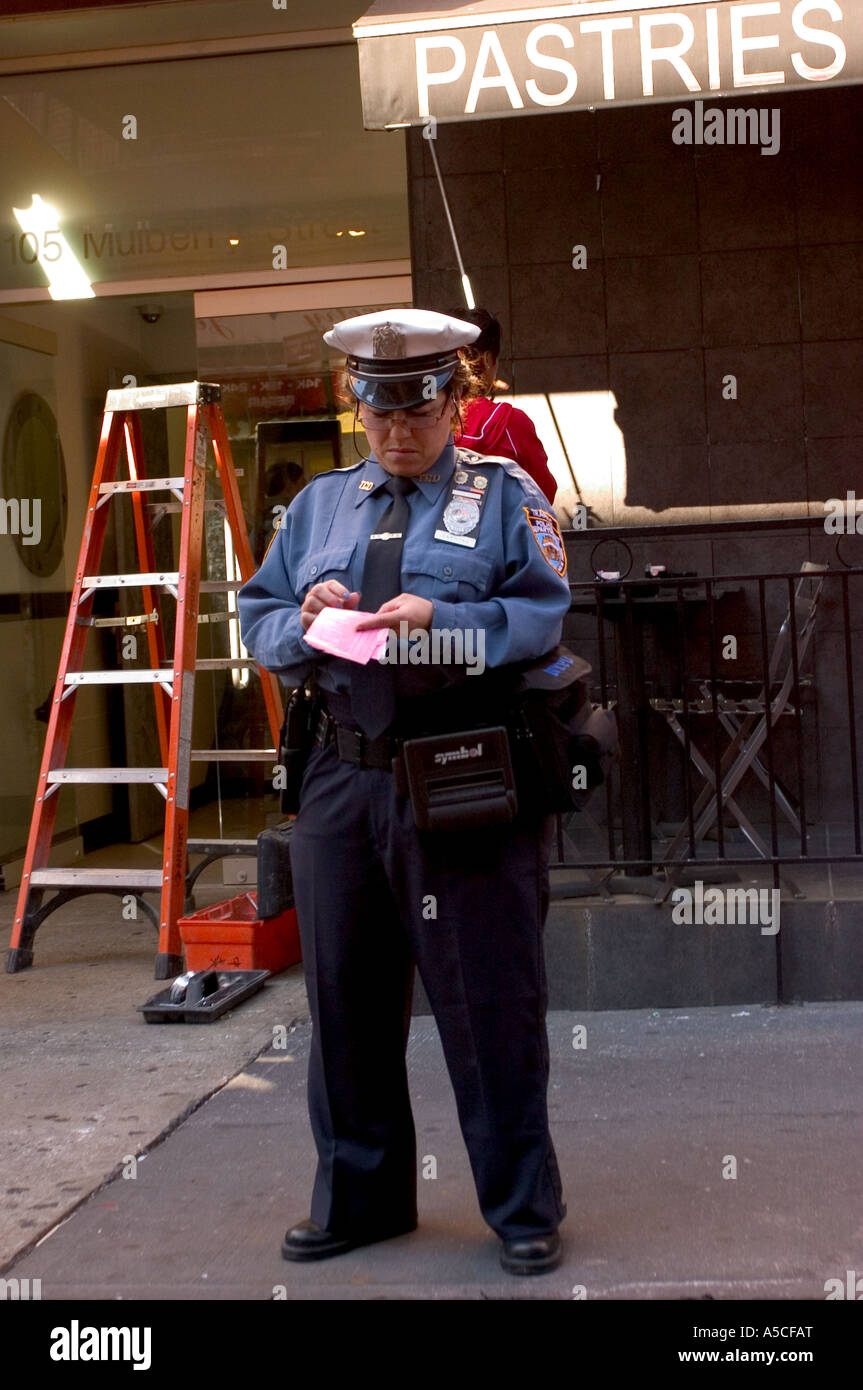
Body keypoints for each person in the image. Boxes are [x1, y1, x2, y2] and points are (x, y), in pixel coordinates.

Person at [238, 308, 571, 1276]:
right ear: (357, 409)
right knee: (344, 999)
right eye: (378, 414)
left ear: (452, 400)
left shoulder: (503, 495)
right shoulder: (318, 506)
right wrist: (301, 618)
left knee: (488, 999)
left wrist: (444, 619)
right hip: (343, 774)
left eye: (416, 411)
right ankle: (360, 1199)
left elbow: (540, 617)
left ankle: (519, 1208)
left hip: (459, 767)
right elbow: (257, 614)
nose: (397, 433)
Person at [445, 306, 558, 505]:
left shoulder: (426, 419)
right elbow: (543, 493)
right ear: (488, 359)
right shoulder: (511, 423)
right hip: (500, 533)